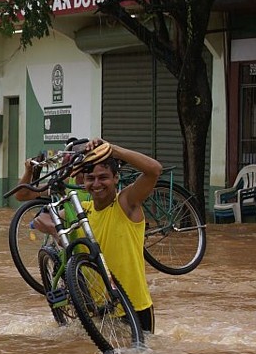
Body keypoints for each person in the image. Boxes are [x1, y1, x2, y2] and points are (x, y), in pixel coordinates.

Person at [21, 138, 162, 333]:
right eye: (91, 178)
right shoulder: (82, 212)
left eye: (103, 177)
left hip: (135, 307)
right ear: (83, 181)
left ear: (115, 178)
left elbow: (153, 170)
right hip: (97, 311)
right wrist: (55, 231)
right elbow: (40, 218)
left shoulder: (126, 204)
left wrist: (113, 150)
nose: (97, 184)